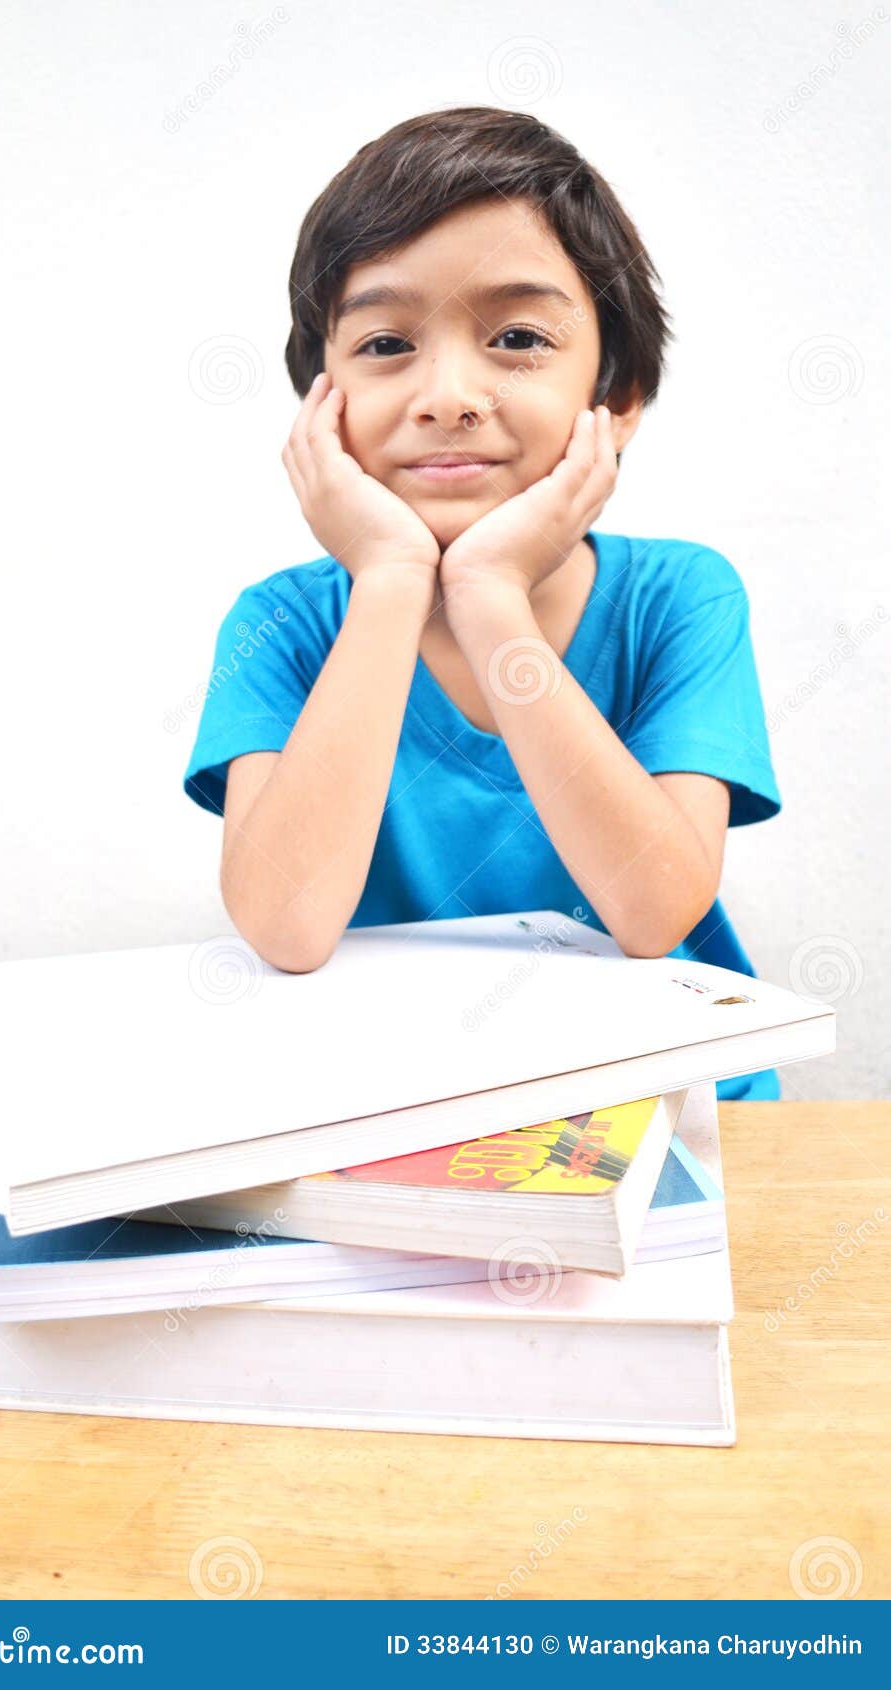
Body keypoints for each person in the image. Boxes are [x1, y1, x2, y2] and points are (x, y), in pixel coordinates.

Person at [183, 107, 782, 1101]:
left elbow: (651, 909)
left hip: (662, 1106)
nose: (448, 394)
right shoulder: (281, 625)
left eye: (514, 337)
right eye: (384, 343)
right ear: (317, 402)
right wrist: (386, 582)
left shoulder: (680, 597)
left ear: (617, 390)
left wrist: (490, 596)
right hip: (393, 1107)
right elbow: (285, 929)